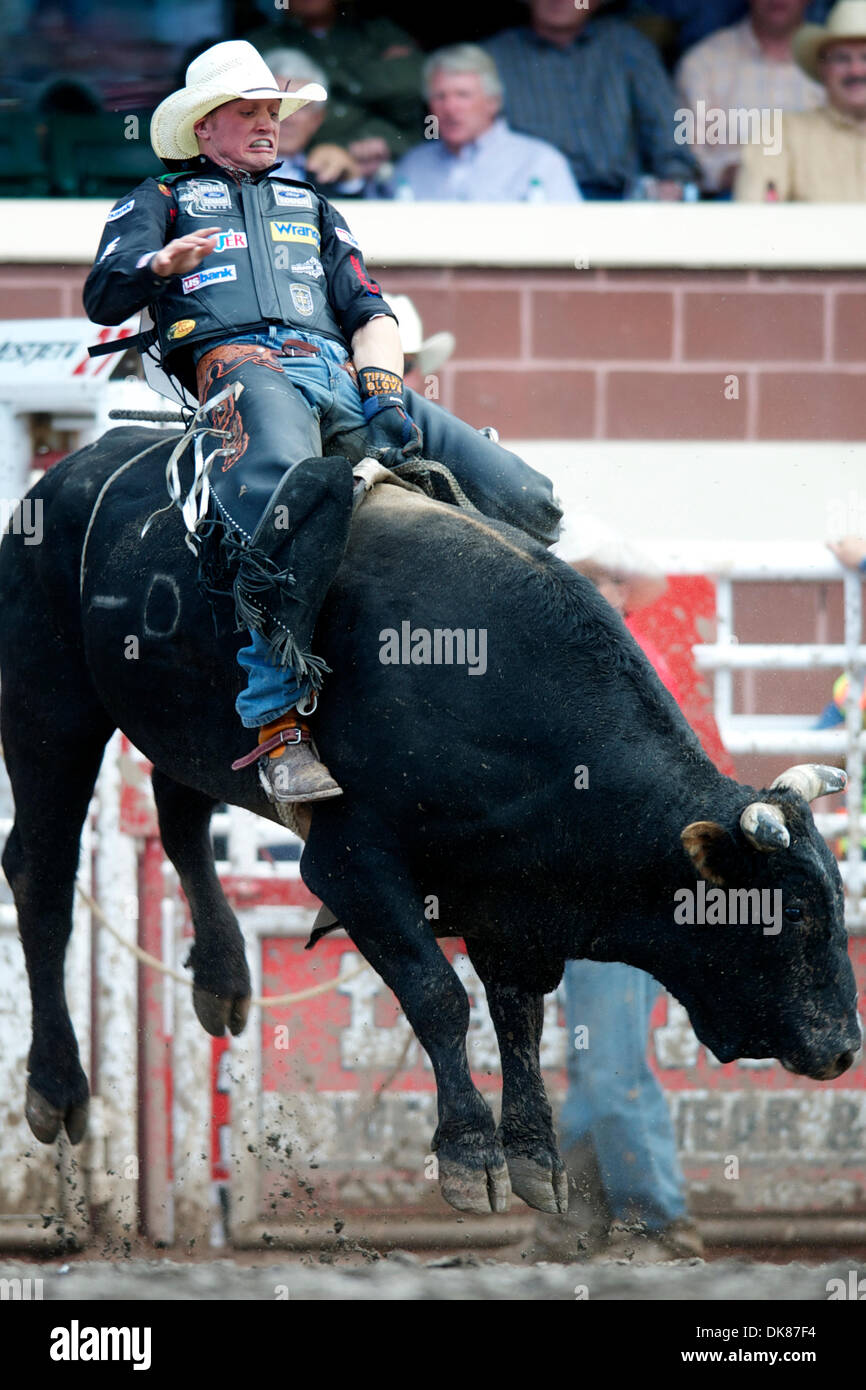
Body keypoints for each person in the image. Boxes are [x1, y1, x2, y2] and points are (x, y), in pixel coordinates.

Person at [83, 41, 561, 809]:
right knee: (288, 496)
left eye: (274, 111)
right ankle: (276, 722)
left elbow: (371, 309)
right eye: (248, 111)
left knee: (528, 497)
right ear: (205, 127)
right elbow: (103, 295)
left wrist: (385, 395)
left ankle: (531, 678)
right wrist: (159, 269)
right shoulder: (159, 199)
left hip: (344, 372)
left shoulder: (311, 207)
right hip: (239, 370)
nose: (268, 124)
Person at [533, 520, 704, 1262]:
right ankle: (580, 1222)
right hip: (599, 893)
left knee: (606, 1062)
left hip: (615, 892)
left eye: (602, 576)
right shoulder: (616, 666)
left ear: (622, 593)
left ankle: (658, 1218)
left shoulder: (608, 671)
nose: (591, 587)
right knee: (600, 1059)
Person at [482, 0, 698, 199]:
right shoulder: (495, 56)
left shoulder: (627, 46)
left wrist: (674, 178)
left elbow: (663, 122)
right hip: (531, 200)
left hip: (619, 199)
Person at [243, 0, 425, 181]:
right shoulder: (263, 41)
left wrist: (337, 81)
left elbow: (411, 86)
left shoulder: (379, 33)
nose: (291, 115)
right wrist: (370, 77)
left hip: (368, 156)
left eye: (303, 105)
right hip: (299, 157)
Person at [388, 44, 581, 202]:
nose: (450, 107)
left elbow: (575, 240)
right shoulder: (412, 165)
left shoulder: (541, 163)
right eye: (440, 96)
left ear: (493, 102)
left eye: (463, 95)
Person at [676, 0, 824, 194]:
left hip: (824, 206)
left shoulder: (840, 64)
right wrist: (727, 173)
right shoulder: (703, 64)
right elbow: (684, 160)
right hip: (730, 207)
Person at [736, 0, 866, 200]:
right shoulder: (780, 132)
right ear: (822, 68)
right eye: (841, 58)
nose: (856, 70)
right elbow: (756, 219)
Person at [263, 48, 366, 197]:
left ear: (317, 119)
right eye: (278, 104)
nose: (288, 118)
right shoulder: (225, 171)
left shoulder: (327, 175)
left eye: (301, 107)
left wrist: (350, 180)